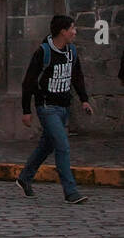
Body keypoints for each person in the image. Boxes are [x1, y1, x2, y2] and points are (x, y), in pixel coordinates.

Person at [17, 15, 93, 204]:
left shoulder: (72, 52)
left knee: (47, 145)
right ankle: (70, 191)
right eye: (72, 29)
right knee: (62, 145)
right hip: (47, 107)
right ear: (63, 31)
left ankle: (25, 177)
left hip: (63, 108)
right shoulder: (44, 52)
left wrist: (84, 100)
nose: (75, 32)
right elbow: (28, 82)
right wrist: (26, 110)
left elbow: (77, 76)